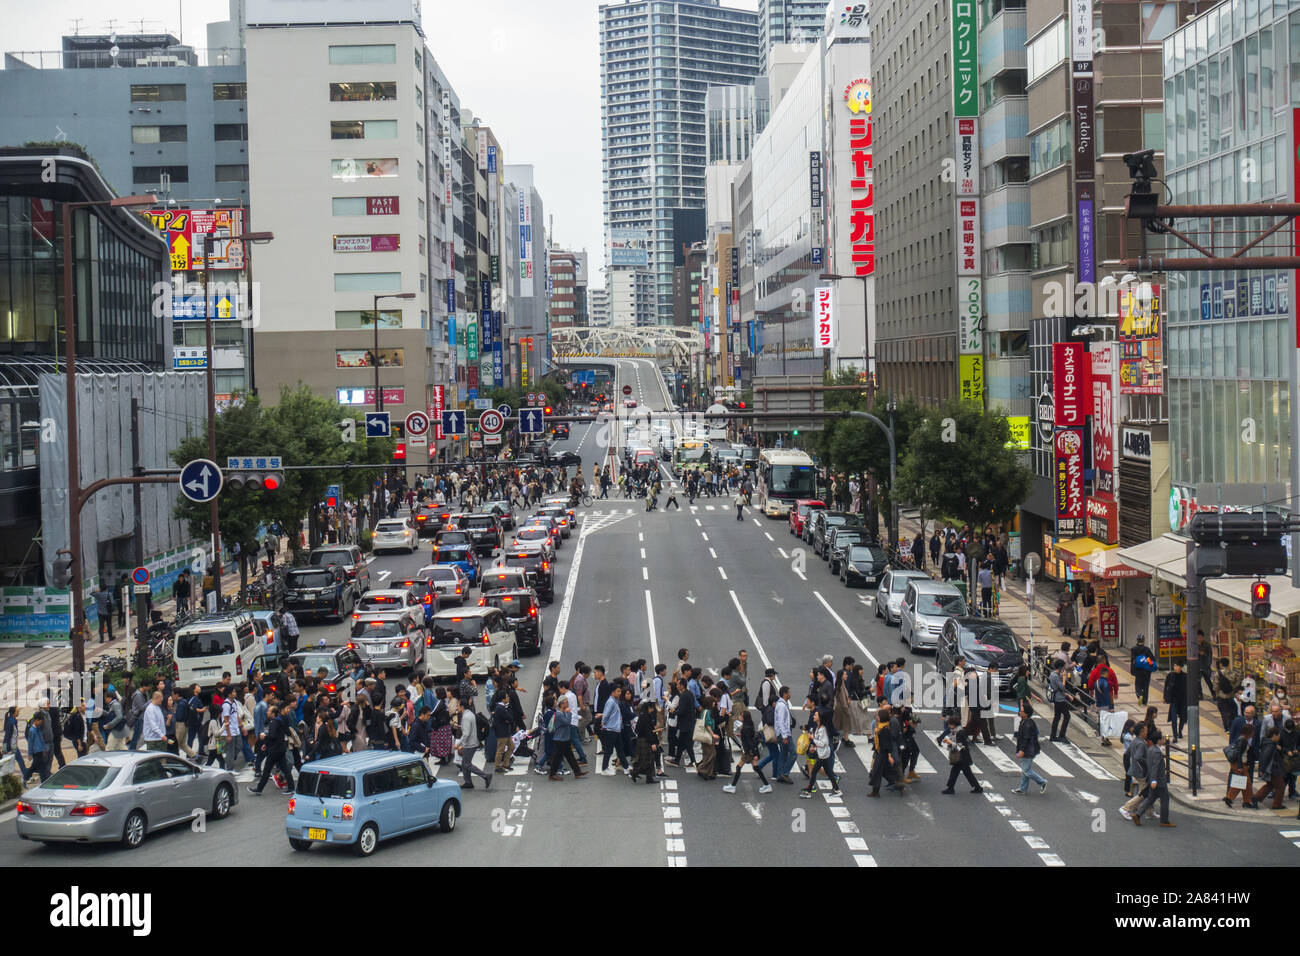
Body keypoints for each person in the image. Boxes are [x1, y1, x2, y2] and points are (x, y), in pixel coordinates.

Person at [724, 707, 771, 794]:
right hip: (750, 751)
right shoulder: (748, 726)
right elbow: (750, 739)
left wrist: (755, 754)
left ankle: (733, 786)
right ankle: (767, 785)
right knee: (756, 768)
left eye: (741, 716)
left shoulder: (745, 728)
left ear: (744, 718)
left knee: (738, 767)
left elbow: (750, 742)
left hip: (748, 752)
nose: (740, 717)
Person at [1132, 729, 1174, 827]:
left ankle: (1137, 815)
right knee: (1165, 798)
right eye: (1162, 738)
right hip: (1159, 781)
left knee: (1151, 798)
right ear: (1158, 740)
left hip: (1152, 779)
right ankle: (1164, 821)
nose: (1164, 740)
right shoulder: (1157, 752)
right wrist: (1154, 779)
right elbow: (1155, 766)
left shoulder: (1150, 749)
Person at [1224, 704, 1261, 809]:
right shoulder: (1243, 740)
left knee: (1244, 783)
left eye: (1249, 713)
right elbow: (1240, 754)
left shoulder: (1244, 738)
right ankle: (1238, 799)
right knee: (1246, 783)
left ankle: (1241, 800)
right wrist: (1240, 766)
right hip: (1240, 764)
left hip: (1243, 763)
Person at [800, 709, 840, 797]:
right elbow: (820, 742)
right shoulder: (818, 727)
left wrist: (812, 739)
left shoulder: (822, 729)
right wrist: (814, 747)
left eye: (815, 715)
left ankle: (809, 791)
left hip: (823, 754)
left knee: (814, 771)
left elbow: (824, 743)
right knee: (828, 772)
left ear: (820, 718)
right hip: (822, 753)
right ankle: (837, 789)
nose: (813, 716)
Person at [938, 715, 982, 794]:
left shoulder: (959, 733)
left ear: (954, 724)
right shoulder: (956, 731)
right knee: (967, 773)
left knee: (955, 772)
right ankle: (977, 787)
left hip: (961, 756)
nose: (949, 726)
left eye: (950, 724)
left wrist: (950, 742)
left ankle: (950, 788)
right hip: (963, 756)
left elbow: (961, 747)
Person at [1011, 700, 1048, 794]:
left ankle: (1042, 782)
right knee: (1025, 770)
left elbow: (1026, 739)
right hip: (1030, 749)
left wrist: (1022, 750)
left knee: (1026, 770)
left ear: (1026, 713)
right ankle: (1023, 788)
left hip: (1029, 750)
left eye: (1022, 711)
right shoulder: (1026, 721)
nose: (1020, 712)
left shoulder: (1027, 724)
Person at [547, 697, 587, 780]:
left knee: (570, 756)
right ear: (561, 704)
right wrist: (569, 713)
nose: (567, 703)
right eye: (565, 702)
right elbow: (567, 722)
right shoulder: (559, 713)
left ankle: (577, 772)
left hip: (564, 738)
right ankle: (552, 774)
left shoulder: (562, 712)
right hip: (560, 739)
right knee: (557, 758)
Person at [456, 699, 492, 790]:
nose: (457, 707)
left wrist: (459, 744)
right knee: (464, 763)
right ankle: (468, 782)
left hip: (469, 744)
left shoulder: (466, 717)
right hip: (472, 742)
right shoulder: (470, 714)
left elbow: (466, 733)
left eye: (458, 705)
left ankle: (486, 776)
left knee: (467, 764)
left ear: (462, 706)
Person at [631, 701, 659, 784]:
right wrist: (653, 743)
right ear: (649, 708)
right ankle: (635, 773)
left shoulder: (642, 715)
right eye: (652, 708)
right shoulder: (646, 717)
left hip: (641, 740)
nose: (653, 709)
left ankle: (649, 778)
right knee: (646, 760)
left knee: (646, 759)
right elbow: (648, 731)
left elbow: (638, 729)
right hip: (645, 740)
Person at [1047, 659, 1074, 741]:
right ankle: (1061, 735)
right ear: (1060, 667)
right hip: (1059, 699)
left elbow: (1056, 688)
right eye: (1063, 667)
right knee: (1066, 716)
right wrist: (1064, 678)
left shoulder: (1052, 674)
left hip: (1057, 697)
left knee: (1057, 717)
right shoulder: (1055, 676)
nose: (1064, 669)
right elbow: (1062, 687)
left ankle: (1053, 735)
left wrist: (1067, 694)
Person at [1163, 659, 1188, 742]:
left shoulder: (1185, 676)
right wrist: (1165, 697)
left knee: (1183, 717)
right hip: (1173, 700)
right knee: (1174, 719)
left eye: (1177, 666)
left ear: (1181, 667)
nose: (1175, 667)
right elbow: (1166, 687)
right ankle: (1175, 736)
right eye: (1174, 666)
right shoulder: (1170, 675)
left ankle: (1180, 731)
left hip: (1183, 700)